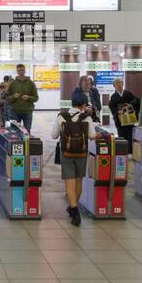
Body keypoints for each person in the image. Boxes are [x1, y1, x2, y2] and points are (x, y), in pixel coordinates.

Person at [57, 87, 96, 227]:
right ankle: (74, 208)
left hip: (66, 153)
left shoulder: (62, 116)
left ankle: (74, 211)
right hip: (81, 153)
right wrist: (98, 135)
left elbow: (53, 135)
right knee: (78, 181)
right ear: (84, 105)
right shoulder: (87, 118)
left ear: (72, 103)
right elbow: (92, 136)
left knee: (69, 182)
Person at [4, 63, 39, 132]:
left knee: (27, 132)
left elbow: (36, 98)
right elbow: (7, 98)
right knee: (14, 132)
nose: (21, 72)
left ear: (25, 71)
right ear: (17, 71)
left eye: (22, 70)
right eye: (19, 70)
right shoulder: (12, 83)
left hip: (27, 112)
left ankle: (26, 143)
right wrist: (13, 96)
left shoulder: (30, 83)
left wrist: (28, 97)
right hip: (14, 112)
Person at [109, 77, 139, 145]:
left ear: (123, 84)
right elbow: (112, 107)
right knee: (121, 137)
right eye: (117, 84)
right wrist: (117, 112)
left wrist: (130, 105)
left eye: (120, 83)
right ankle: (123, 152)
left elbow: (136, 101)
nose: (119, 85)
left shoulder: (128, 93)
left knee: (130, 136)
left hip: (129, 119)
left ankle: (130, 152)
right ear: (114, 86)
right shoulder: (113, 96)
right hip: (120, 120)